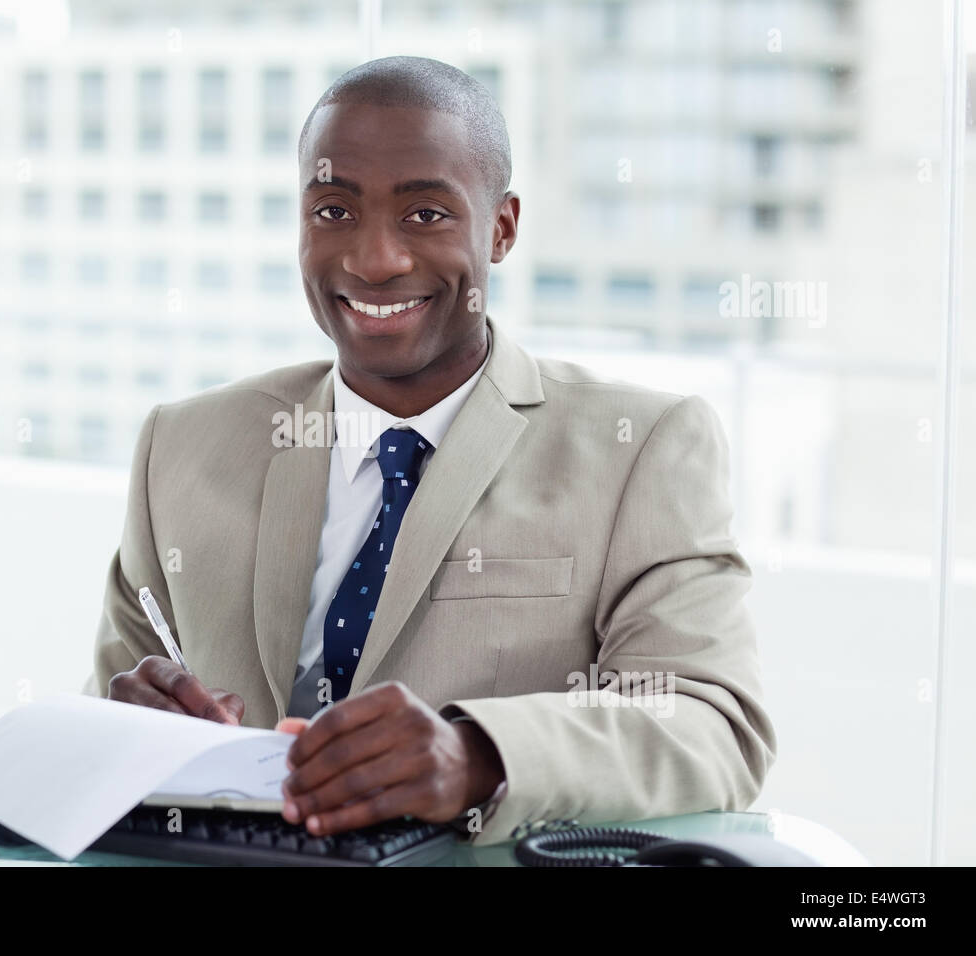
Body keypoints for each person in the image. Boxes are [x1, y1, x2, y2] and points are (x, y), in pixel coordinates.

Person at [84, 55, 776, 846]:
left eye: (425, 215)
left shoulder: (642, 449)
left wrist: (476, 755)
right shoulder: (181, 446)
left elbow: (712, 725)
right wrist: (125, 726)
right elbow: (103, 707)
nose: (375, 260)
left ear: (503, 228)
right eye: (335, 211)